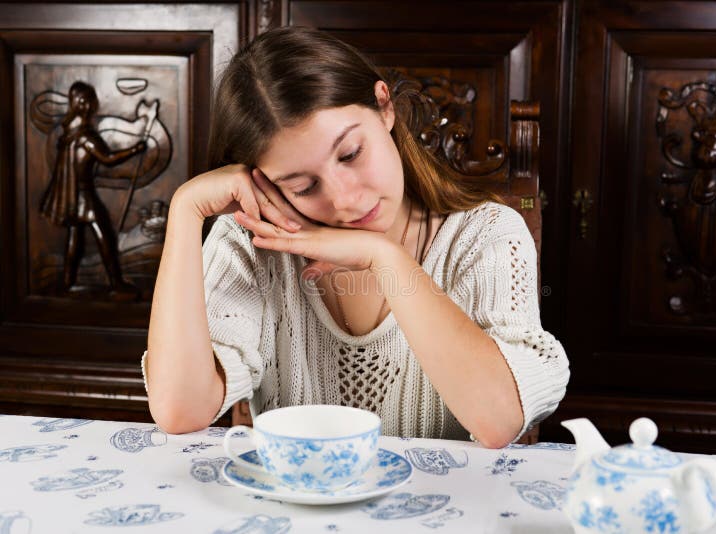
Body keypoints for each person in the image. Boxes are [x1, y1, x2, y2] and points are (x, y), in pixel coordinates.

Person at [143, 26, 569, 448]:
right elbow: (180, 409)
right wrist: (186, 210)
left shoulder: (485, 235)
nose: (345, 200)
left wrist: (382, 257)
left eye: (350, 154)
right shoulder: (252, 246)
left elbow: (499, 420)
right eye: (304, 187)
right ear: (264, 185)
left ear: (384, 106)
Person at [40, 81, 146, 298]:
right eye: (92, 101)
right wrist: (136, 149)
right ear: (85, 104)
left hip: (75, 196)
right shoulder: (85, 137)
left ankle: (68, 282)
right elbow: (108, 158)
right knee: (103, 235)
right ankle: (116, 284)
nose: (96, 105)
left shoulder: (70, 135)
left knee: (75, 237)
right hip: (84, 197)